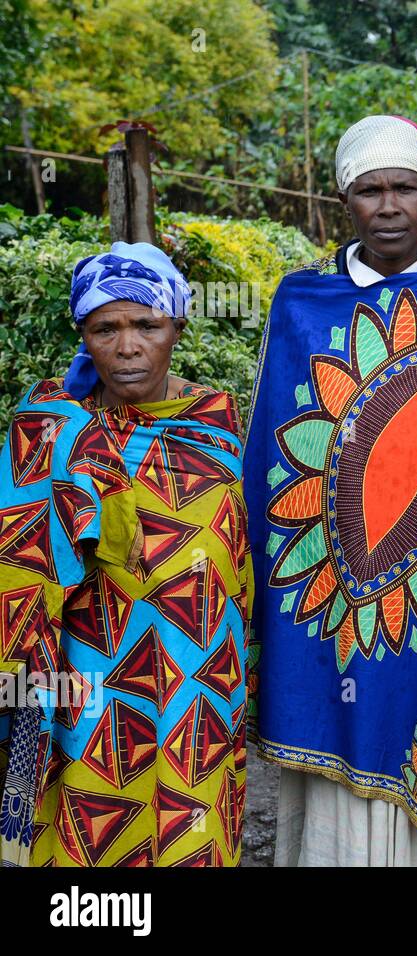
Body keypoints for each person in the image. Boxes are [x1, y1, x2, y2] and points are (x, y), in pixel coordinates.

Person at [244, 115, 417, 866]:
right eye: (370, 191)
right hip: (329, 577)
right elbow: (275, 450)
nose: (390, 206)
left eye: (405, 188)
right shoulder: (302, 302)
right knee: (342, 715)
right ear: (345, 201)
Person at [0, 242, 251, 866]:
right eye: (104, 329)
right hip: (85, 677)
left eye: (147, 325)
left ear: (178, 327)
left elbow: (232, 567)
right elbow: (18, 563)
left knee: (189, 813)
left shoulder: (213, 427)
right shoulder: (50, 430)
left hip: (196, 677)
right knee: (93, 820)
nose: (127, 346)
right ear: (83, 337)